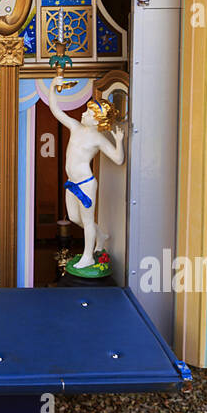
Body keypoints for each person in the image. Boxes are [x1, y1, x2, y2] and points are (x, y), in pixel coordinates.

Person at [45, 74, 125, 272]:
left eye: (89, 114)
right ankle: (102, 236)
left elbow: (118, 159)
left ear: (97, 121)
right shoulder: (75, 127)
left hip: (85, 184)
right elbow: (55, 110)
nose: (84, 114)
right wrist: (53, 88)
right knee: (74, 218)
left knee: (87, 221)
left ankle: (88, 256)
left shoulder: (98, 139)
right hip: (72, 183)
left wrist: (120, 142)